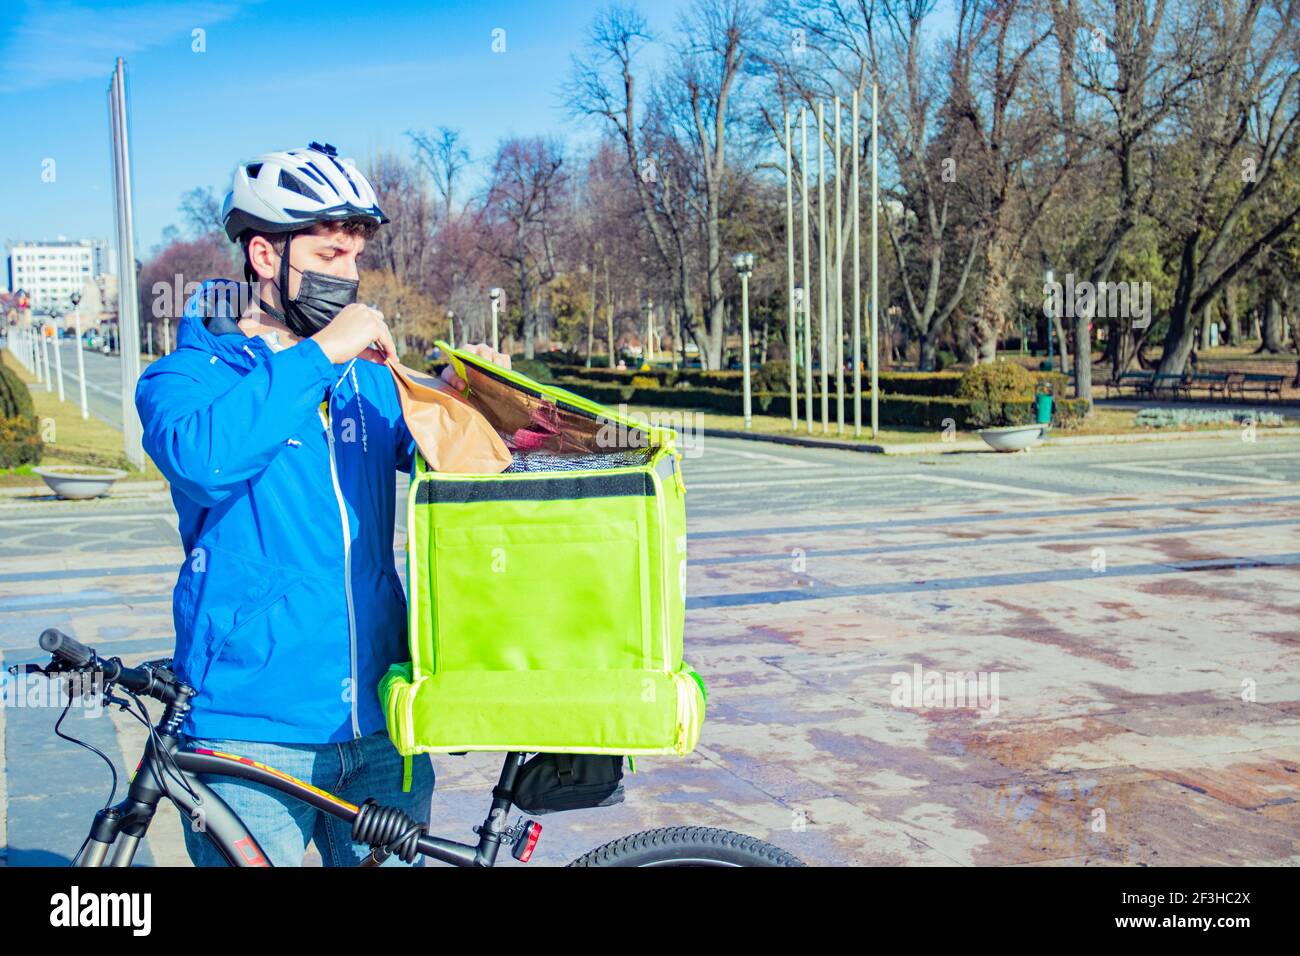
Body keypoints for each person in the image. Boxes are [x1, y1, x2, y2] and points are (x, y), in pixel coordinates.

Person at [135, 142, 510, 866]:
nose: (351, 276)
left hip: (380, 725)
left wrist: (474, 400)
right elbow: (203, 461)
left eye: (355, 258)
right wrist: (319, 356)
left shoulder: (365, 380)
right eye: (333, 255)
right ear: (266, 256)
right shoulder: (184, 378)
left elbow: (456, 465)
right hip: (250, 733)